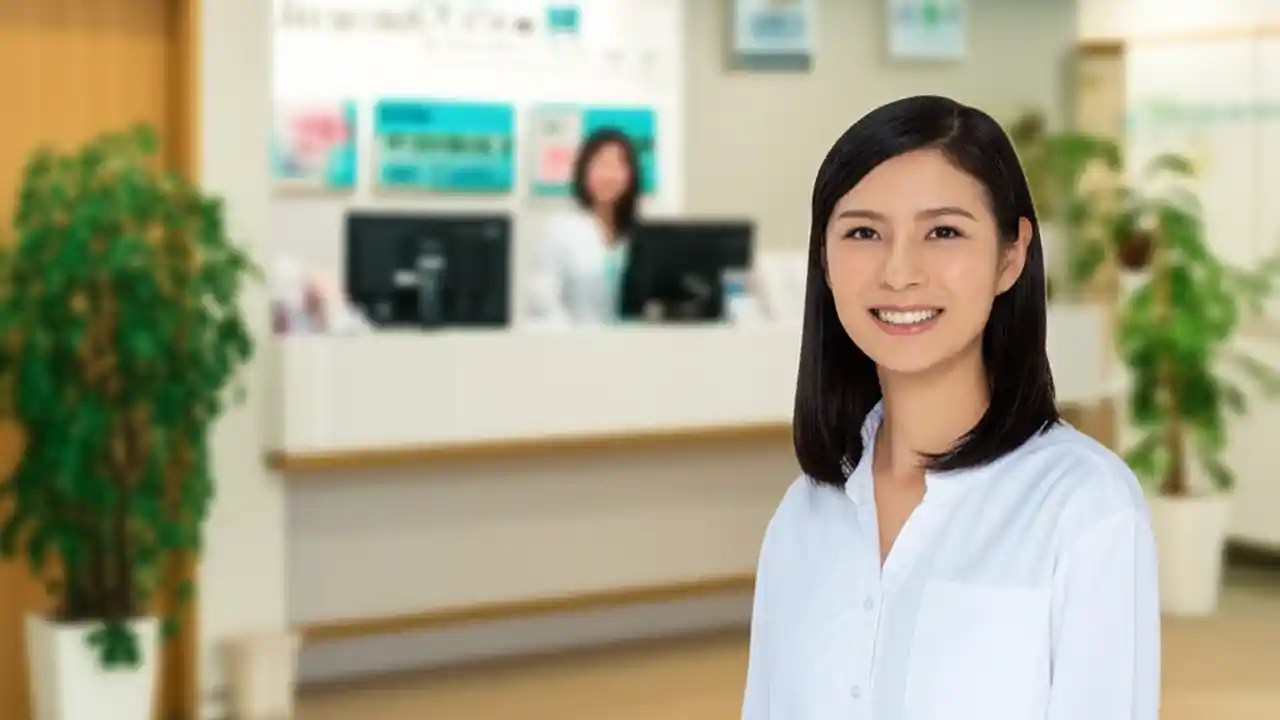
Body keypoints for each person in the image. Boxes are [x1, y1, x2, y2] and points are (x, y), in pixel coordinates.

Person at [742, 95, 1159, 719]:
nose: (900, 271)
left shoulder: (1085, 507)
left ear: (1011, 255)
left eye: (943, 232)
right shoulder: (805, 513)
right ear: (824, 261)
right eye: (863, 232)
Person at [528, 128, 641, 324]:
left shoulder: (638, 234)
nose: (609, 175)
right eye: (601, 165)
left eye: (618, 166)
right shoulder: (562, 229)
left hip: (634, 346)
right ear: (584, 171)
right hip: (576, 346)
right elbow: (543, 300)